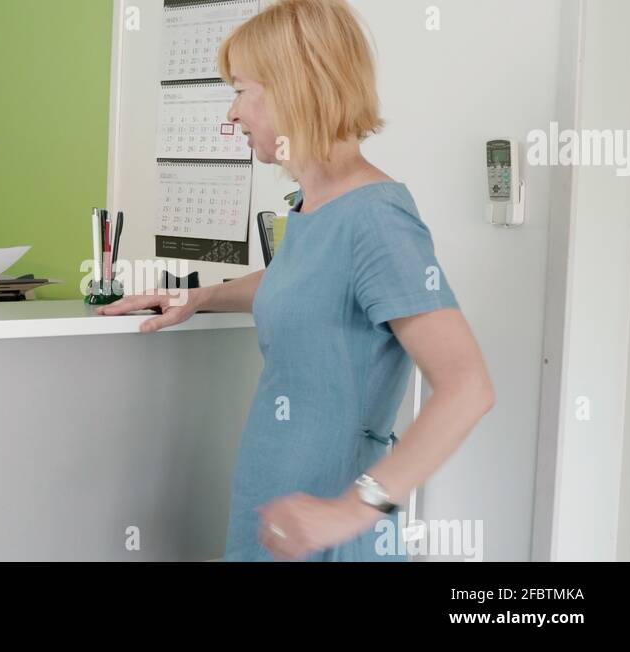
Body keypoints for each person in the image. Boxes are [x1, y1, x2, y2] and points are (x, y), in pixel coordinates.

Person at [98, 0, 495, 561]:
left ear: (293, 87)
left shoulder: (377, 217)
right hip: (275, 504)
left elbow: (468, 387)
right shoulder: (316, 205)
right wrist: (199, 297)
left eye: (240, 90)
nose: (232, 114)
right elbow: (304, 281)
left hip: (329, 522)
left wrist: (351, 512)